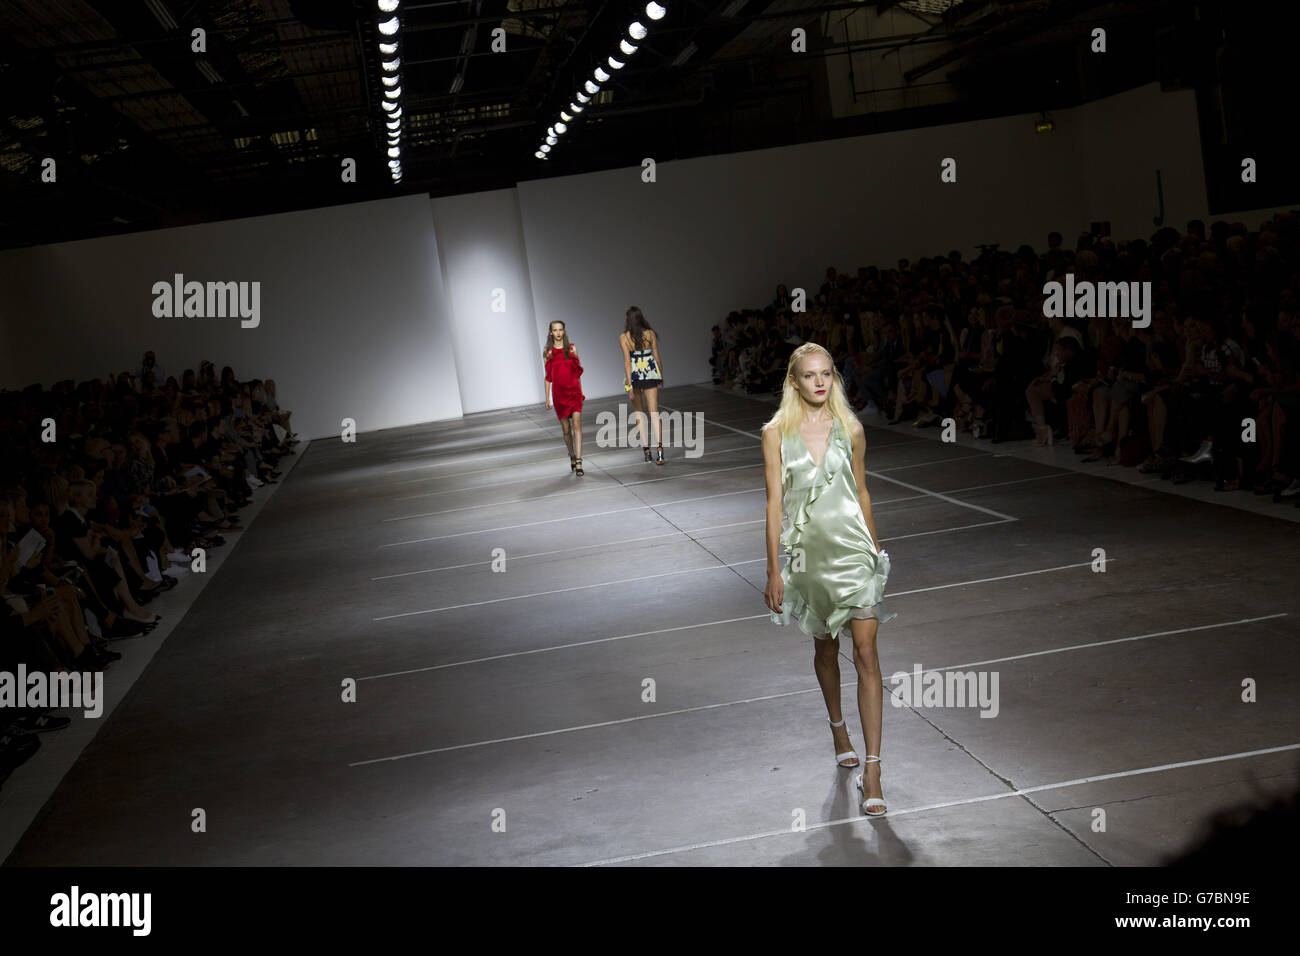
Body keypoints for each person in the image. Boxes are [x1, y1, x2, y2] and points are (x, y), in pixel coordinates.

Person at [762, 342, 897, 816]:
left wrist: (876, 554)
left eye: (826, 374)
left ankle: (874, 771)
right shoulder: (777, 433)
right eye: (809, 375)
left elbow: (862, 490)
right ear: (794, 382)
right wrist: (774, 568)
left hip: (853, 553)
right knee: (825, 649)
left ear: (833, 378)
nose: (819, 382)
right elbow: (775, 503)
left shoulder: (851, 428)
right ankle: (838, 729)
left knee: (866, 653)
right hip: (808, 562)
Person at [620, 307, 665, 465]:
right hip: (651, 374)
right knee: (654, 413)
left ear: (628, 320)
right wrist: (661, 376)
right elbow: (657, 357)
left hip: (635, 377)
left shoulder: (624, 338)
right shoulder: (650, 334)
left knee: (639, 413)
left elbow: (627, 363)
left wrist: (629, 385)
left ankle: (647, 452)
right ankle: (660, 452)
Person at [543, 320, 586, 476]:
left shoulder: (572, 349)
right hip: (559, 395)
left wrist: (581, 392)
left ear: (564, 332)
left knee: (576, 425)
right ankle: (572, 455)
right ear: (551, 333)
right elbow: (548, 377)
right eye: (555, 330)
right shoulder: (548, 352)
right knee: (566, 430)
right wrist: (547, 398)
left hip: (574, 392)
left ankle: (579, 461)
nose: (558, 333)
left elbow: (577, 372)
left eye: (561, 330)